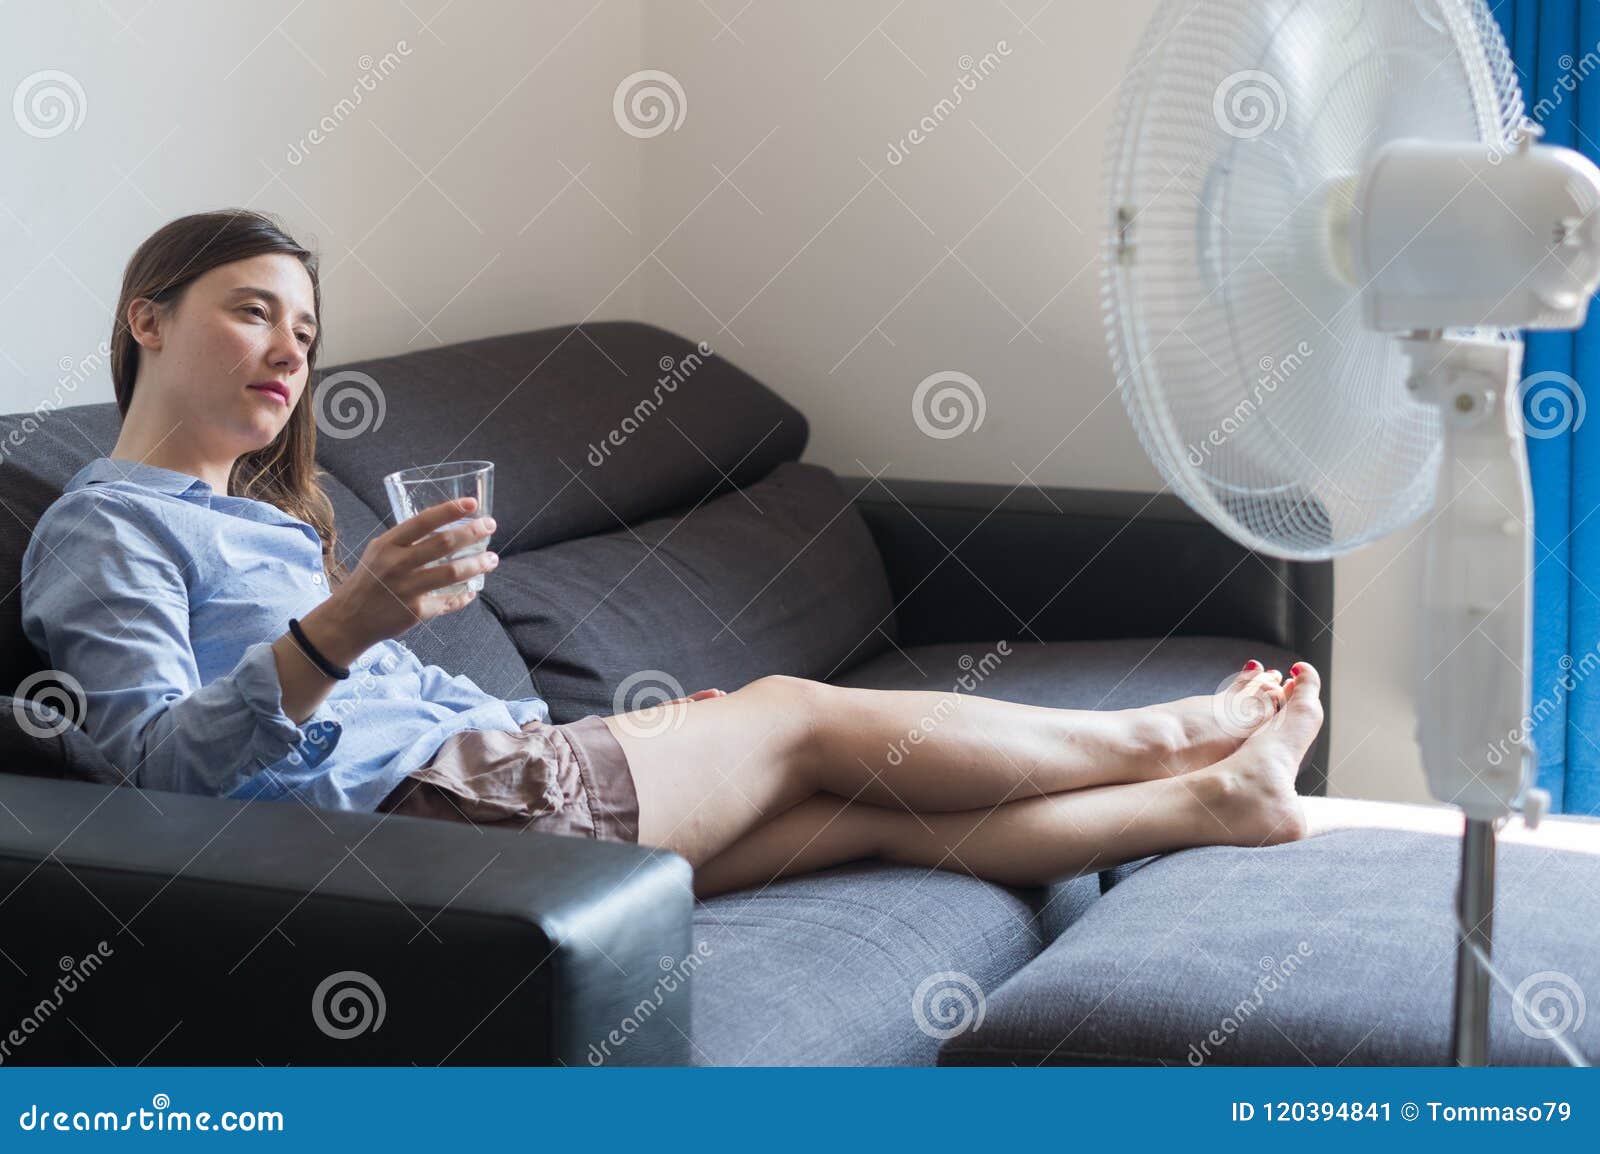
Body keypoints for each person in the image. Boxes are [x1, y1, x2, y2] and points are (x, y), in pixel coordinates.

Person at [20, 210, 1325, 901]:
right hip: (426, 832)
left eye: (305, 328)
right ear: (149, 316)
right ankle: (1176, 736)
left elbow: (385, 704)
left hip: (475, 788)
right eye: (252, 310)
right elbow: (146, 768)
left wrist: (625, 749)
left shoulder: (264, 517)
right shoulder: (102, 522)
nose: (291, 350)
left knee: (867, 820)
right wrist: (346, 622)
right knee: (802, 715)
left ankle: (1221, 801)